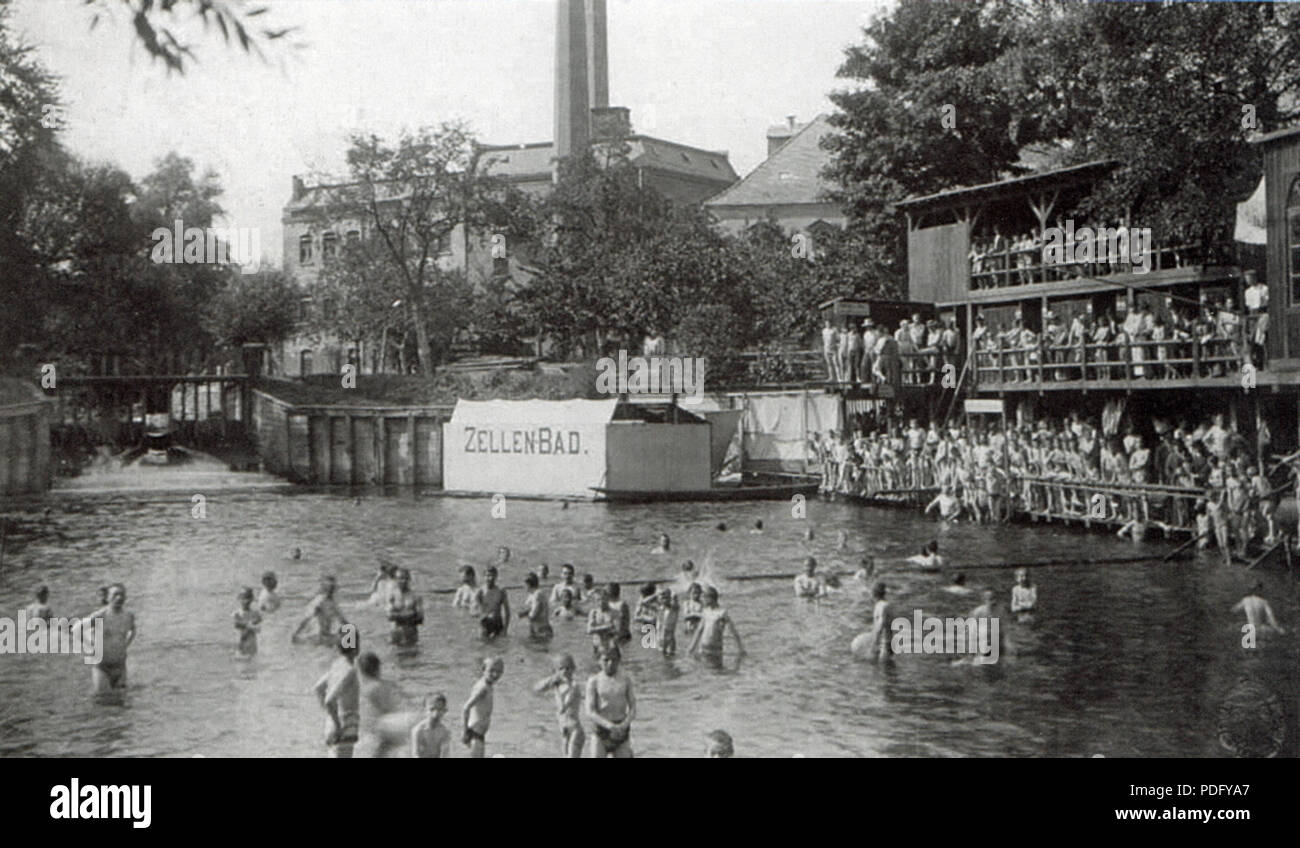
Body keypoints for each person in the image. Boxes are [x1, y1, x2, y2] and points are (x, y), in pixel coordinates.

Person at [313, 631, 360, 758]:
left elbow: (318, 688)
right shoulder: (350, 671)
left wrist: (330, 715)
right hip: (345, 723)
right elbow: (329, 699)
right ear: (356, 648)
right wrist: (338, 725)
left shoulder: (336, 666)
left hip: (331, 724)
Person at [585, 645, 636, 758]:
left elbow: (633, 706)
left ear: (619, 660)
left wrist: (625, 724)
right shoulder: (594, 681)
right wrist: (609, 726)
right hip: (601, 730)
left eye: (614, 659)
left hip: (621, 728)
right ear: (599, 660)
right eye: (606, 660)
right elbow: (590, 711)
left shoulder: (626, 679)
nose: (610, 663)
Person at [534, 653, 585, 758]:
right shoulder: (558, 685)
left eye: (568, 668)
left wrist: (556, 688)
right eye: (561, 669)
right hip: (564, 729)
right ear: (556, 671)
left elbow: (563, 707)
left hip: (575, 729)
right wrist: (552, 679)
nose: (565, 671)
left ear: (573, 669)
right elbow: (537, 688)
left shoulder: (574, 685)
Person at [87, 583, 135, 695]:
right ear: (107, 598)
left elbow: (133, 630)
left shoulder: (128, 616)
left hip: (120, 667)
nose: (119, 598)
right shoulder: (100, 616)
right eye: (115, 595)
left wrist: (126, 644)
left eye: (122, 595)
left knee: (122, 705)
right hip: (102, 667)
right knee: (103, 703)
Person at [687, 586, 745, 661]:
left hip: (715, 649)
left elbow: (733, 631)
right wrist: (691, 648)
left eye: (705, 598)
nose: (703, 600)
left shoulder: (722, 613)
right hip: (703, 647)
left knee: (715, 670)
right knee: (705, 670)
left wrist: (740, 649)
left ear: (711, 598)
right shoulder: (705, 612)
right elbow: (699, 631)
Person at [462, 656, 504, 758]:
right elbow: (466, 707)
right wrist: (465, 732)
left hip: (479, 734)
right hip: (475, 734)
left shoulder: (488, 685)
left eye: (499, 671)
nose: (495, 674)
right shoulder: (482, 688)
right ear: (483, 670)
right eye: (491, 671)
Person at [292, 576, 347, 644]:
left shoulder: (331, 603)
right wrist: (297, 632)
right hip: (319, 636)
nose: (331, 591)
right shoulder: (321, 602)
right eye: (329, 588)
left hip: (324, 635)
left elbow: (342, 619)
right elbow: (307, 618)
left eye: (331, 588)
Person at [387, 568, 424, 647]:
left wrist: (398, 616)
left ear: (409, 579)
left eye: (405, 578)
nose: (403, 581)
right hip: (396, 632)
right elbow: (389, 616)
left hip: (410, 633)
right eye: (400, 578)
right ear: (396, 580)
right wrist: (410, 615)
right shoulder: (392, 595)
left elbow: (420, 618)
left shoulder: (415, 596)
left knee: (412, 656)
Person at [410, 693, 451, 759]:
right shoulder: (418, 731)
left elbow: (445, 755)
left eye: (440, 709)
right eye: (432, 709)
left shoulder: (445, 732)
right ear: (424, 710)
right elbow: (416, 755)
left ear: (444, 711)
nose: (436, 713)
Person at [475, 566, 510, 639]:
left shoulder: (501, 591)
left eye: (492, 575)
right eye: (487, 575)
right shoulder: (480, 592)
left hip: (497, 622)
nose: (490, 578)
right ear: (484, 576)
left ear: (496, 576)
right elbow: (476, 610)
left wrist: (505, 629)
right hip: (485, 623)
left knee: (500, 647)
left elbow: (507, 611)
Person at [519, 572, 553, 640]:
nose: (523, 587)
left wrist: (524, 613)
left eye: (524, 584)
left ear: (528, 584)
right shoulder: (531, 595)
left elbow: (533, 614)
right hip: (535, 629)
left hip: (542, 630)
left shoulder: (538, 594)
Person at [586, 587, 617, 656]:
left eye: (604, 599)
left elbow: (616, 631)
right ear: (595, 601)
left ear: (608, 599)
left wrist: (596, 629)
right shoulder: (594, 613)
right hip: (597, 645)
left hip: (610, 646)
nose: (601, 602)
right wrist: (605, 627)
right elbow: (588, 630)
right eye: (598, 600)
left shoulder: (614, 612)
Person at [233, 587, 262, 658]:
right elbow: (237, 624)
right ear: (239, 599)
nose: (245, 601)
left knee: (252, 662)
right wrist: (250, 625)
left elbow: (259, 627)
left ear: (252, 599)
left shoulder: (255, 614)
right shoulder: (237, 614)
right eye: (243, 598)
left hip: (252, 644)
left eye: (247, 598)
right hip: (241, 643)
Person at [655, 587, 679, 657]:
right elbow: (644, 602)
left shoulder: (673, 608)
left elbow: (675, 599)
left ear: (670, 598)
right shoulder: (659, 608)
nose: (664, 599)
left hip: (669, 639)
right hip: (660, 638)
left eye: (666, 597)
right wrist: (657, 594)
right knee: (661, 661)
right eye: (662, 597)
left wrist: (672, 594)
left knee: (670, 660)